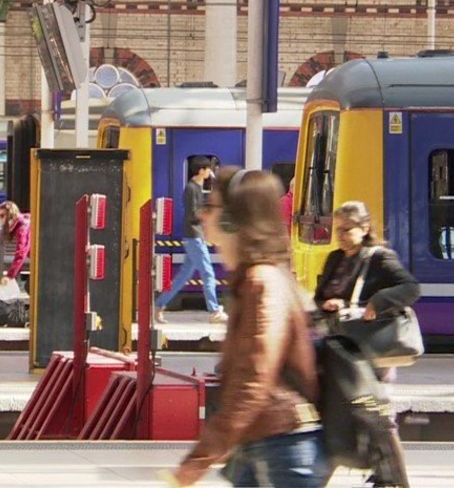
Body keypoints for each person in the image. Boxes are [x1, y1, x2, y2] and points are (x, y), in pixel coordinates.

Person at [167, 167, 330, 487]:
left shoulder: (262, 282)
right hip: (262, 440)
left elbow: (254, 377)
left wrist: (202, 456)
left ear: (232, 218)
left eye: (210, 206)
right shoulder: (254, 279)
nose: (201, 213)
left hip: (283, 446)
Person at [314, 200, 418, 488]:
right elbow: (319, 297)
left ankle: (395, 480)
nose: (341, 236)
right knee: (338, 414)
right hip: (338, 350)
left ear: (365, 228)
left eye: (348, 229)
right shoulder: (335, 258)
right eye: (338, 230)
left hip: (370, 351)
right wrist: (327, 304)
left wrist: (374, 303)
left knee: (377, 416)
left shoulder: (380, 258)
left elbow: (411, 288)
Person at [155, 156, 226, 324]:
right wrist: (209, 213)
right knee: (208, 273)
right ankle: (214, 311)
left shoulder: (196, 188)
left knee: (183, 276)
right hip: (194, 237)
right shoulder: (192, 188)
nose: (210, 172)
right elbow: (192, 215)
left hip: (194, 236)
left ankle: (159, 305)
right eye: (208, 169)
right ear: (201, 170)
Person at [0, 200, 31, 289]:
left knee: (30, 287)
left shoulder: (23, 227)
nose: (1, 219)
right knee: (30, 287)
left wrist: (9, 275)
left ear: (10, 215)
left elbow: (21, 252)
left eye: (2, 216)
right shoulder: (20, 223)